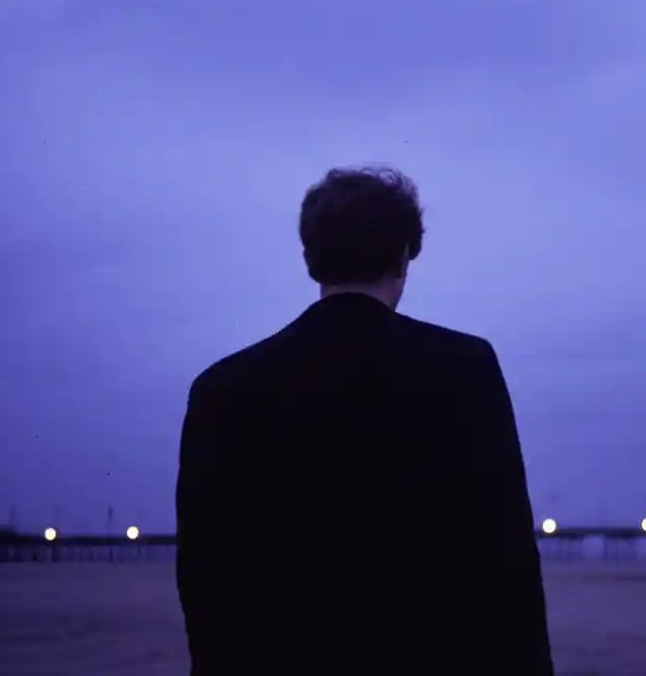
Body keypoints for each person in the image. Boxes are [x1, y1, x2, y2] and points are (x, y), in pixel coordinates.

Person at [176, 166, 553, 674]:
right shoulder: (463, 368)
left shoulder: (222, 389)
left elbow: (205, 580)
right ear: (404, 255)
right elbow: (507, 566)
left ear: (311, 259)